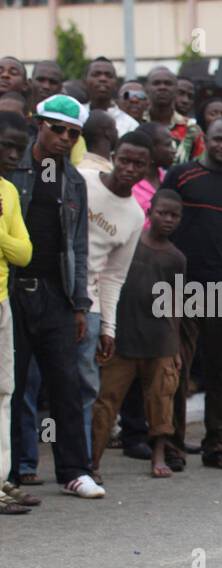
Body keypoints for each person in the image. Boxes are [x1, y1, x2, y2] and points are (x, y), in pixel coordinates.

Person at [7, 95, 104, 498]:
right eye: (57, 129)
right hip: (12, 290)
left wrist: (79, 304)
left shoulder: (74, 181)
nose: (65, 138)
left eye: (73, 133)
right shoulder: (13, 170)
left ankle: (75, 471)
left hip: (56, 294)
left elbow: (78, 247)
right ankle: (12, 471)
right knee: (12, 385)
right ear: (38, 125)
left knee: (66, 384)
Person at [160, 117, 222, 471]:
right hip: (179, 284)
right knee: (175, 368)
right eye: (218, 139)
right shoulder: (180, 176)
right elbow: (161, 223)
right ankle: (171, 445)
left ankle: (219, 445)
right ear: (206, 141)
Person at [91, 189, 186, 477]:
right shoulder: (130, 245)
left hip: (160, 341)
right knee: (106, 401)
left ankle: (158, 456)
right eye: (162, 213)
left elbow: (176, 303)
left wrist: (176, 347)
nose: (167, 219)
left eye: (174, 215)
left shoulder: (176, 258)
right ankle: (91, 462)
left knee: (162, 400)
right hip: (123, 338)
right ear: (149, 213)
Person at [81, 127, 150, 466]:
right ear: (113, 157)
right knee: (30, 385)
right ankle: (21, 467)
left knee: (85, 389)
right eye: (124, 160)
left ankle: (81, 463)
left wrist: (108, 326)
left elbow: (114, 276)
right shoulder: (82, 181)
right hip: (52, 295)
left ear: (147, 169)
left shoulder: (135, 215)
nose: (129, 169)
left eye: (138, 164)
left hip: (90, 306)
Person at [0, 110, 33, 515]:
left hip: (3, 303)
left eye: (18, 148)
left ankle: (2, 477)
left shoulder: (8, 191)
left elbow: (24, 253)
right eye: (5, 146)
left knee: (4, 392)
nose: (12, 155)